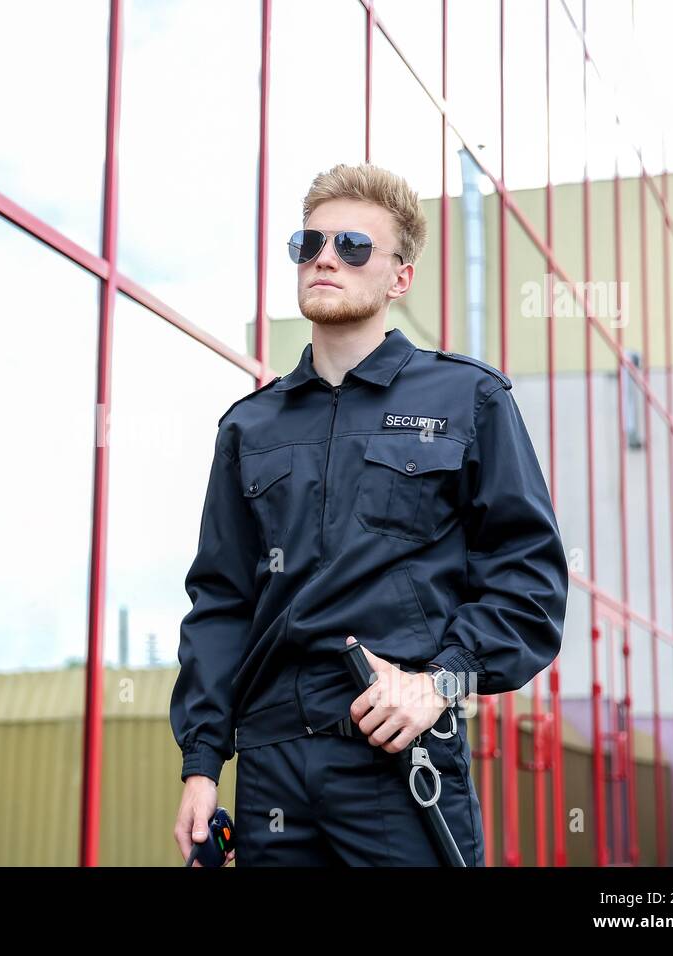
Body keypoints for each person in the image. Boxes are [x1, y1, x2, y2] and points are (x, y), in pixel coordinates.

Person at [170, 162, 568, 866]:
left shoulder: (467, 400)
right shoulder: (249, 427)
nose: (325, 258)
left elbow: (530, 588)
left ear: (399, 277)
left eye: (353, 246)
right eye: (310, 243)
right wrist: (203, 764)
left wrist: (438, 683)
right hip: (272, 772)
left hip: (397, 758)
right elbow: (222, 604)